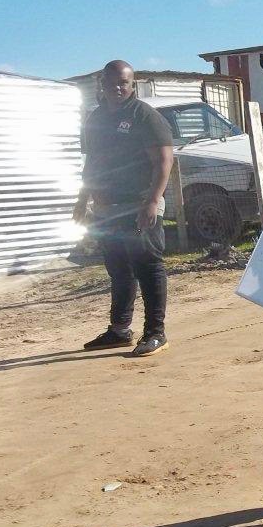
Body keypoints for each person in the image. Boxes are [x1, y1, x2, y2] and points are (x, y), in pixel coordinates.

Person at [74, 60, 175, 358]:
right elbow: (91, 163)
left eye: (124, 83)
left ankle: (156, 333)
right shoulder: (97, 117)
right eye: (112, 83)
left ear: (133, 85)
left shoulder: (145, 116)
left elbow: (164, 162)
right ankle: (119, 330)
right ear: (102, 85)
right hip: (107, 207)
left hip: (140, 204)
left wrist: (152, 201)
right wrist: (82, 200)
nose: (118, 88)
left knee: (148, 267)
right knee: (119, 269)